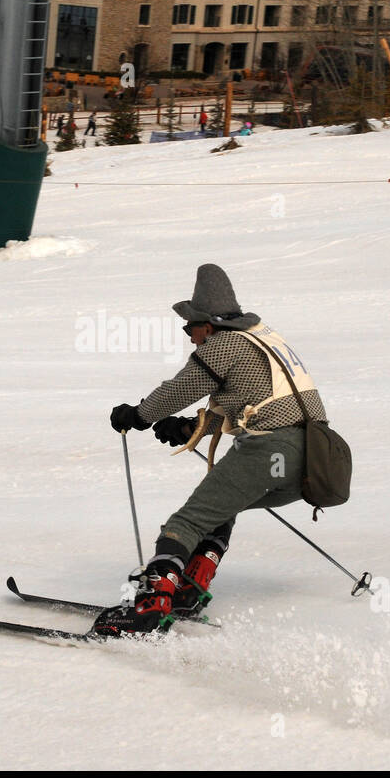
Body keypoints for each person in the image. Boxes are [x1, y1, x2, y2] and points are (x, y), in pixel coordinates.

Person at [98, 264, 328, 637]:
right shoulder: (264, 339)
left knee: (186, 523)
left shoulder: (224, 344)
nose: (190, 337)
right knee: (220, 509)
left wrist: (139, 415)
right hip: (311, 460)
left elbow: (179, 389)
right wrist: (189, 428)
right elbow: (257, 400)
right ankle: (190, 587)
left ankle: (150, 606)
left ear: (208, 323)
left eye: (190, 328)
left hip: (269, 449)